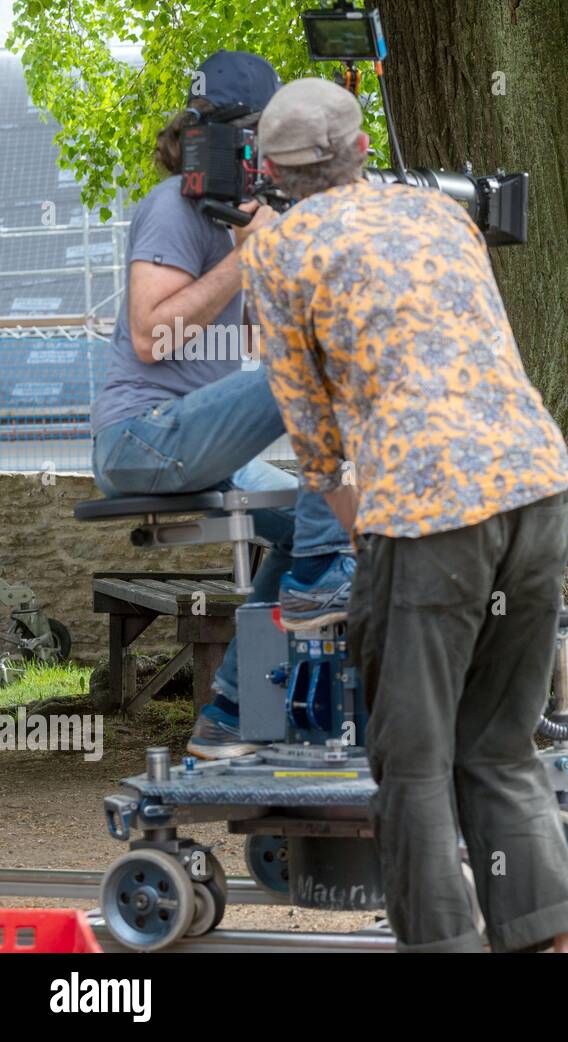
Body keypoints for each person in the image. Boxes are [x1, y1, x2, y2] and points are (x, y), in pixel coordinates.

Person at [245, 77, 568, 952]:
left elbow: (313, 434)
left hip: (430, 506)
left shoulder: (279, 253)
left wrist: (363, 529)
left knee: (410, 764)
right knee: (498, 746)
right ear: (363, 148)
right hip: (537, 485)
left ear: (271, 171)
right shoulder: (445, 216)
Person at [88, 51, 354, 760]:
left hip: (201, 449)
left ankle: (236, 714)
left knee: (309, 519)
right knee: (319, 372)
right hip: (140, 438)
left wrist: (268, 255)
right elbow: (150, 335)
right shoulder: (175, 203)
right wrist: (246, 254)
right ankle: (332, 576)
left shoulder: (239, 214)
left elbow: (273, 347)